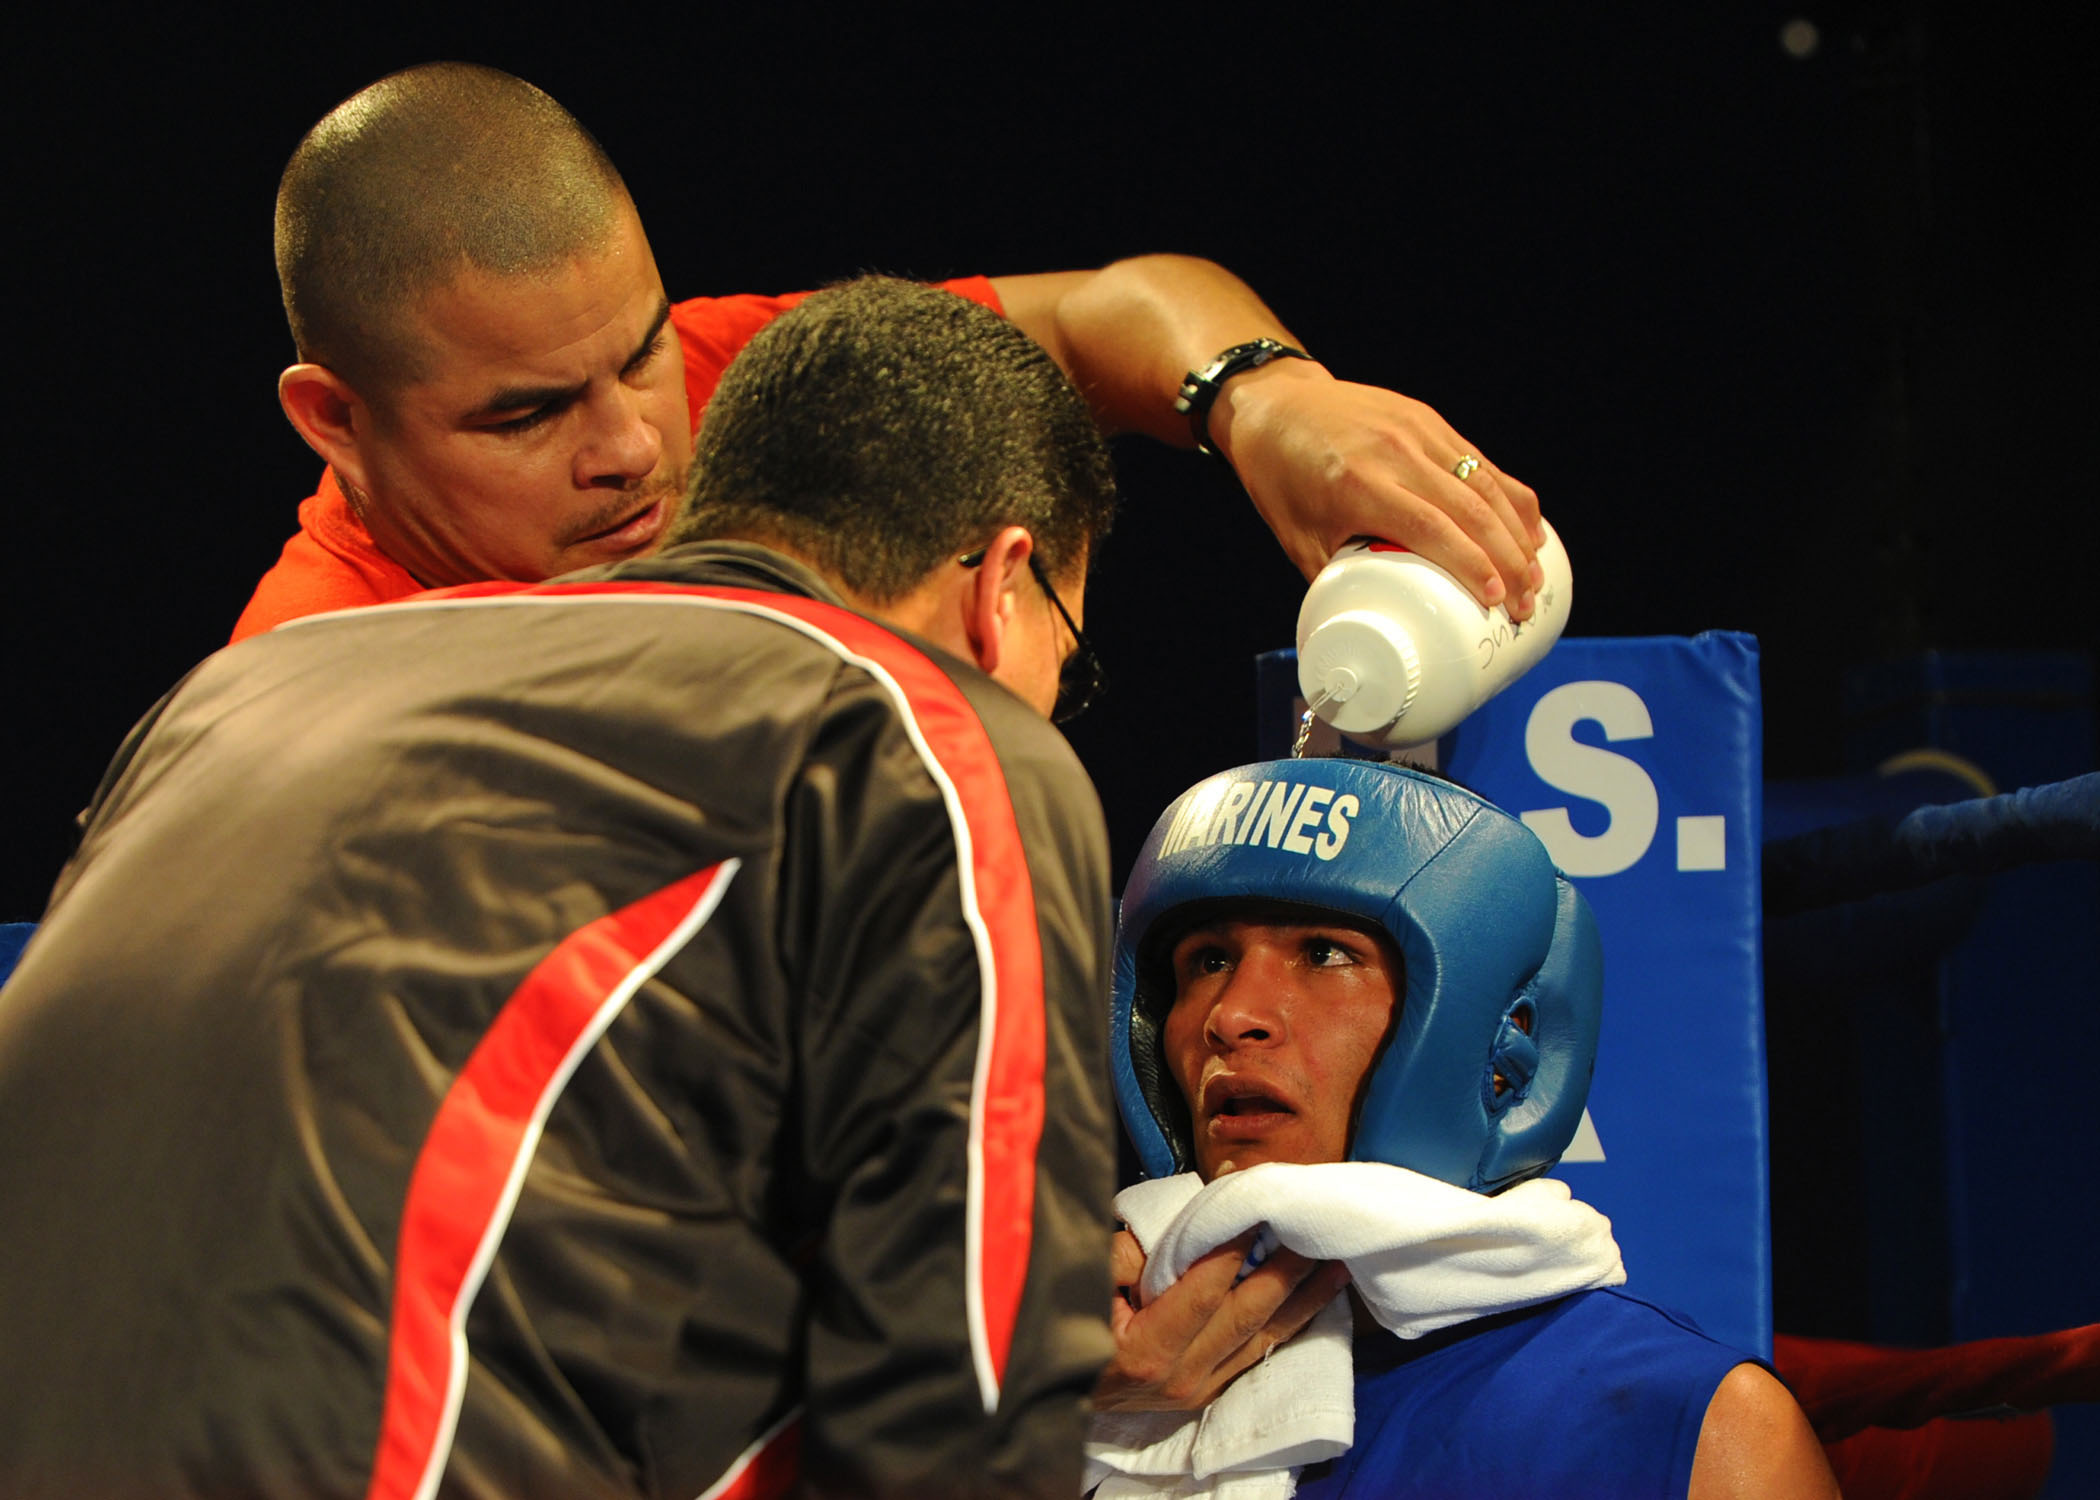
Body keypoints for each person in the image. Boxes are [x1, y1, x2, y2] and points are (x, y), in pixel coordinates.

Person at [0, 278, 1120, 1500]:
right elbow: (963, 1419)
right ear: (1000, 585)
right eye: (1068, 644)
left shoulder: (240, 690)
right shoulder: (927, 731)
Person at [236, 62, 1547, 641]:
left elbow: (1112, 310)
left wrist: (1268, 402)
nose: (633, 447)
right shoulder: (293, 695)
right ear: (334, 422)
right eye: (526, 418)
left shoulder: (711, 378)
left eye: (635, 355)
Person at [1092, 757, 1841, 1499]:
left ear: (1499, 1046)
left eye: (1324, 953)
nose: (1232, 1015)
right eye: (1209, 959)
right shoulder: (1065, 1373)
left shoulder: (1692, 1429)